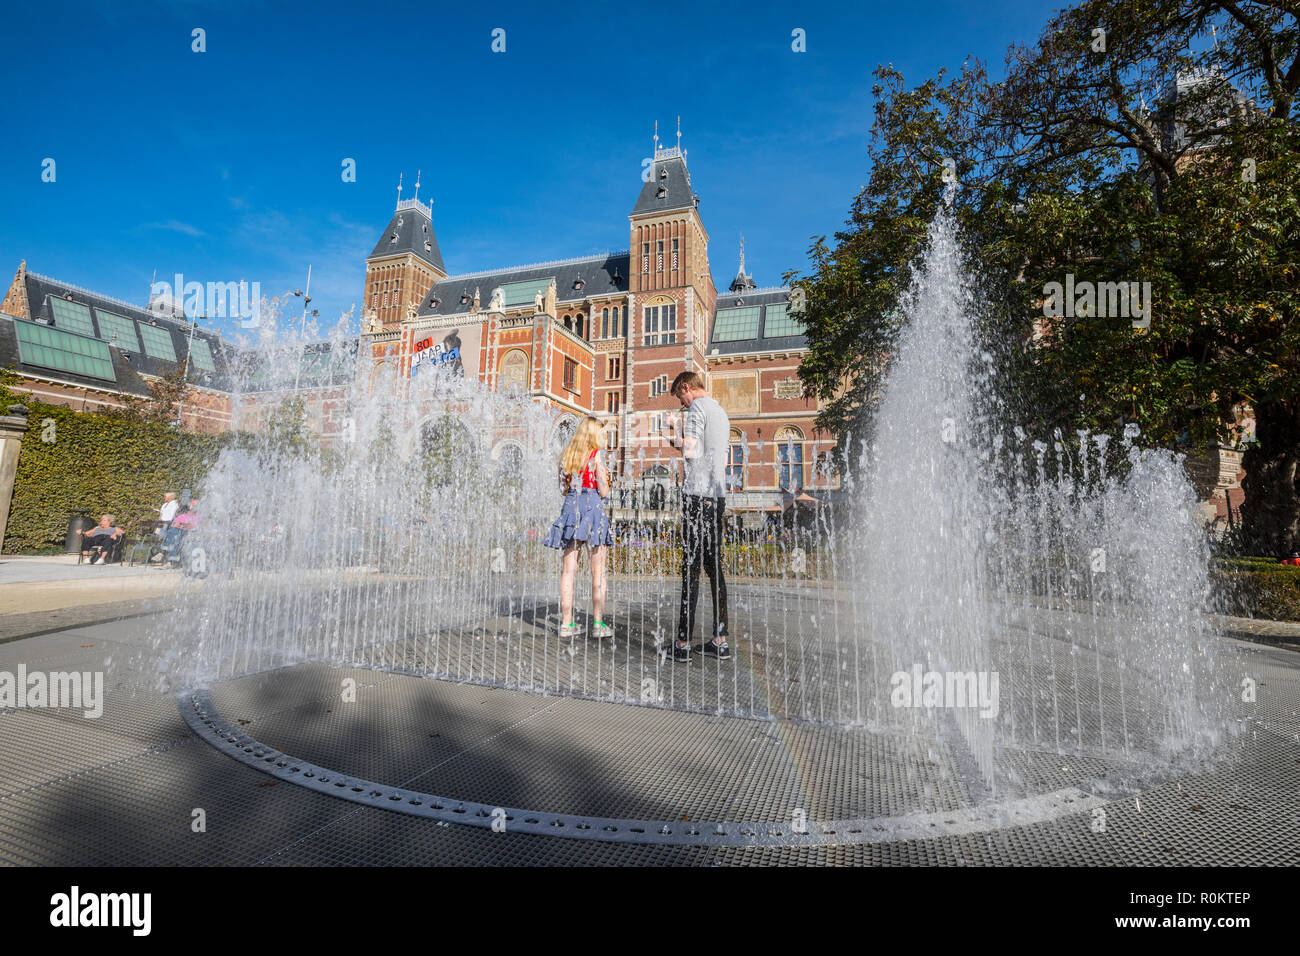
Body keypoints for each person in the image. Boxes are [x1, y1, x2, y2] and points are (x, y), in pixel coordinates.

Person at [665, 370, 731, 662]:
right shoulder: (721, 412)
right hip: (717, 497)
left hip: (696, 496)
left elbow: (689, 451)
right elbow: (721, 459)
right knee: (714, 567)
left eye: (680, 397)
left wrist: (672, 432)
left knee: (690, 568)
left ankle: (682, 644)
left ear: (686, 387)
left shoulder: (696, 409)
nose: (681, 402)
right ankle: (720, 639)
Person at [542, 417, 613, 639]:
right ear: (594, 435)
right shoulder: (595, 455)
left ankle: (566, 623)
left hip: (571, 506)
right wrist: (603, 474)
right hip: (592, 507)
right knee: (598, 571)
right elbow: (603, 491)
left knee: (568, 570)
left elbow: (563, 488)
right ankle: (598, 623)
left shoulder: (566, 456)